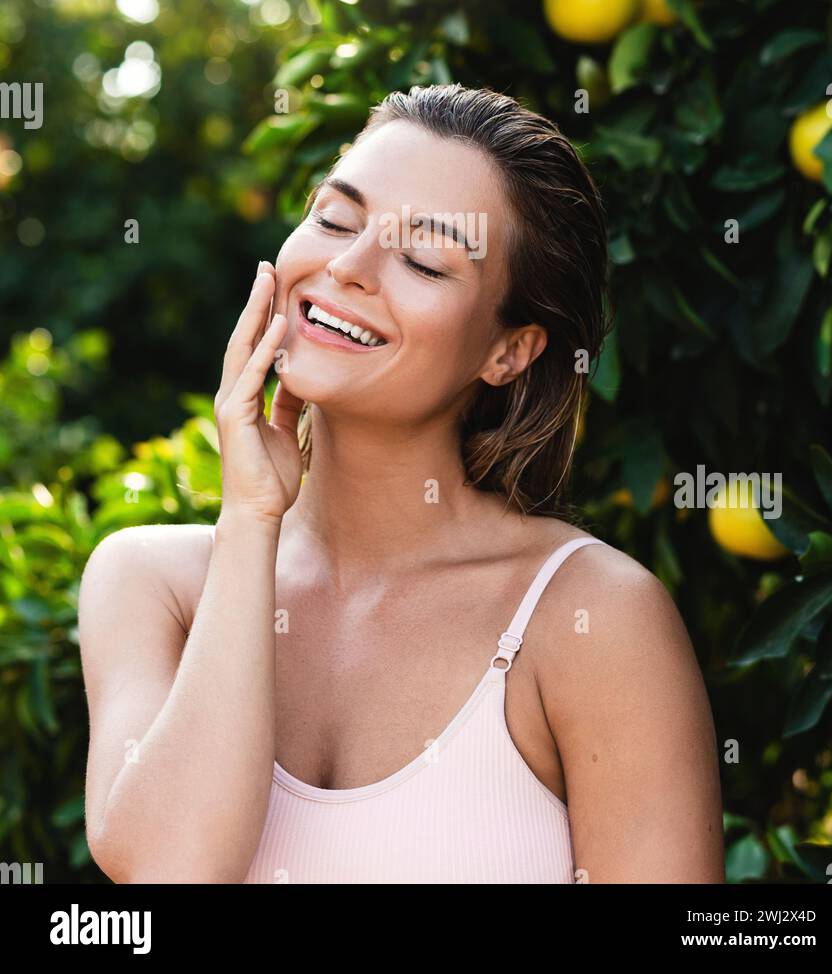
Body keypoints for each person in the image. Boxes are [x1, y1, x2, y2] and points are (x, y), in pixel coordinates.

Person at [79, 83, 725, 884]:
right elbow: (170, 872)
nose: (347, 268)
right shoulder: (152, 583)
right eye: (334, 219)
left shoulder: (592, 618)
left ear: (509, 351)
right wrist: (251, 518)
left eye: (424, 259)